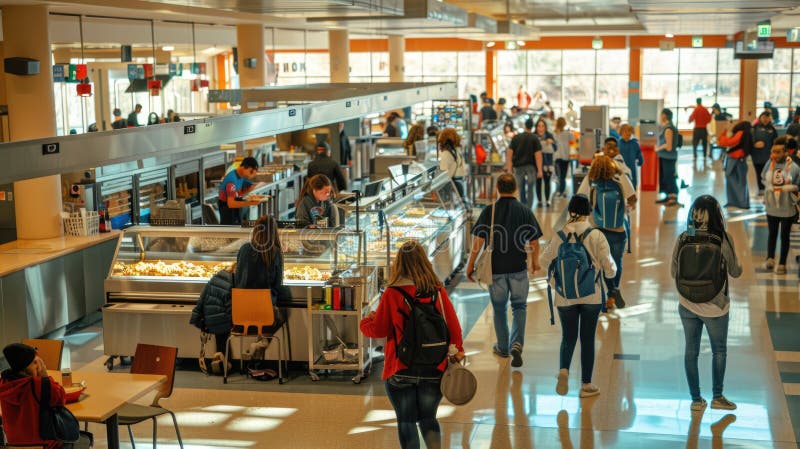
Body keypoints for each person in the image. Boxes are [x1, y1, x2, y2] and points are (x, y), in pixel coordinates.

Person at [359, 241, 464, 449]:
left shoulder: (392, 293)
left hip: (401, 368)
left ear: (399, 263)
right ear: (424, 262)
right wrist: (457, 353)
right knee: (428, 419)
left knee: (406, 421)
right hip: (434, 369)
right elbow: (455, 330)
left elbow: (379, 330)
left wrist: (365, 321)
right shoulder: (437, 291)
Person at [540, 194, 616, 398]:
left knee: (568, 336)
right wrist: (609, 274)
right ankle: (586, 385)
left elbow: (543, 260)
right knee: (588, 338)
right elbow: (609, 267)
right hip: (592, 295)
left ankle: (564, 370)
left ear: (571, 211)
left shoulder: (559, 235)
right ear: (588, 212)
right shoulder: (596, 235)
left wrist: (558, 280)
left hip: (565, 296)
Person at [672, 195, 742, 412]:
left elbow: (674, 271)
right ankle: (718, 397)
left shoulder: (684, 237)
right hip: (715, 306)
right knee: (718, 351)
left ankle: (696, 400)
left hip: (687, 303)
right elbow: (735, 271)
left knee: (690, 351)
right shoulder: (722, 238)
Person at [466, 174, 543, 367]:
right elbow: (534, 240)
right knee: (519, 307)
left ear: (498, 188)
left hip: (496, 269)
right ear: (516, 188)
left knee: (499, 309)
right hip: (518, 267)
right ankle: (516, 343)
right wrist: (534, 262)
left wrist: (470, 265)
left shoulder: (489, 211)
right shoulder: (525, 211)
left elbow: (478, 242)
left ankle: (502, 347)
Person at [0, 343, 92, 449]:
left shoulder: (4, 383)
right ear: (22, 369)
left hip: (14, 445)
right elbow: (61, 398)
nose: (39, 365)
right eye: (34, 363)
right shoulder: (39, 385)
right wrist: (44, 375)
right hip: (46, 445)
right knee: (85, 440)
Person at [577, 155, 636, 309]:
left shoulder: (590, 180)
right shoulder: (620, 177)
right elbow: (632, 198)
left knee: (602, 263)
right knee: (616, 262)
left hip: (597, 230)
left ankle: (609, 293)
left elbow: (579, 200)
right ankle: (613, 292)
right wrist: (628, 206)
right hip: (618, 229)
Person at [761, 137, 798, 275]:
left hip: (787, 207)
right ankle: (770, 258)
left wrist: (790, 187)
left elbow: (798, 184)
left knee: (784, 235)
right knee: (772, 233)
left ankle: (782, 262)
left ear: (785, 152)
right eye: (773, 152)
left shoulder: (793, 167)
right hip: (772, 207)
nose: (775, 155)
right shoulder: (769, 164)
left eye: (778, 152)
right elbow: (763, 178)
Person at [235, 214, 283, 302]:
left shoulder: (244, 249)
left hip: (242, 303)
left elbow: (238, 279)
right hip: (266, 304)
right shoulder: (276, 252)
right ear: (274, 232)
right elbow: (278, 285)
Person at [191, 263, 236, 353]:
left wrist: (196, 317)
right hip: (222, 319)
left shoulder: (216, 277)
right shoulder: (233, 282)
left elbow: (202, 297)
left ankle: (221, 360)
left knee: (222, 343)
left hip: (211, 318)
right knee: (224, 344)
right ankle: (224, 362)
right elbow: (230, 306)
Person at [507, 118, 543, 209]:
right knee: (531, 189)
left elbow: (509, 153)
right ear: (532, 127)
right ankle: (529, 209)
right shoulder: (535, 138)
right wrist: (539, 170)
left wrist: (509, 168)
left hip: (518, 167)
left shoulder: (516, 137)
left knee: (520, 187)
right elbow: (538, 155)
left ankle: (522, 206)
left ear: (525, 126)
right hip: (531, 167)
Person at [718, 120, 752, 209]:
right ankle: (735, 201)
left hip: (735, 159)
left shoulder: (740, 133)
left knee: (737, 180)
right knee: (738, 180)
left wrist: (724, 132)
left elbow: (726, 142)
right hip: (738, 159)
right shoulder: (745, 133)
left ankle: (741, 202)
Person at [218, 157, 259, 225]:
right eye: (251, 172)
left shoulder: (241, 176)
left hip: (235, 210)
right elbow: (231, 204)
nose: (251, 176)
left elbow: (251, 186)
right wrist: (251, 203)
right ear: (244, 167)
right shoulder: (231, 180)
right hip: (228, 210)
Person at [655, 108, 681, 207]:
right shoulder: (667, 127)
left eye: (661, 115)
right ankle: (668, 197)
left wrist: (658, 148)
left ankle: (673, 198)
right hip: (665, 157)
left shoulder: (669, 129)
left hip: (668, 157)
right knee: (666, 177)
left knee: (670, 177)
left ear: (664, 116)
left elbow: (669, 146)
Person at [437, 128, 468, 205]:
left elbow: (443, 176)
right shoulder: (455, 151)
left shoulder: (446, 154)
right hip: (459, 186)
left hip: (450, 189)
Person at [752, 111, 778, 195]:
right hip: (757, 156)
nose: (765, 119)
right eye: (763, 117)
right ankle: (760, 190)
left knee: (768, 173)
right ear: (760, 118)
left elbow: (776, 142)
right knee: (759, 173)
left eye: (767, 117)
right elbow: (749, 140)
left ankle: (768, 189)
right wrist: (754, 144)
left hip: (768, 156)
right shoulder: (755, 128)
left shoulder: (772, 129)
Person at [534, 118, 556, 207]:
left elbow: (555, 148)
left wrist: (552, 142)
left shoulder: (549, 135)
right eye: (539, 126)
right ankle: (539, 200)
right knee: (538, 182)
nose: (541, 128)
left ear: (545, 127)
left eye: (542, 126)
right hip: (536, 163)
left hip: (548, 163)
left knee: (547, 181)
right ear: (536, 127)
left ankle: (547, 200)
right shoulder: (534, 136)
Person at [618, 123, 644, 188]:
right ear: (621, 132)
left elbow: (639, 155)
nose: (627, 133)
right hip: (621, 169)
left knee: (632, 186)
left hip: (632, 169)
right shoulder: (618, 144)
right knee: (622, 186)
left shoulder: (635, 144)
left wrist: (640, 162)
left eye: (629, 131)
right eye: (625, 131)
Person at [554, 117, 573, 198]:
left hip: (557, 157)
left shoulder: (554, 133)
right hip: (566, 157)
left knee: (558, 175)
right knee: (563, 176)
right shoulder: (568, 133)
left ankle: (558, 191)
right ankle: (561, 191)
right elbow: (573, 139)